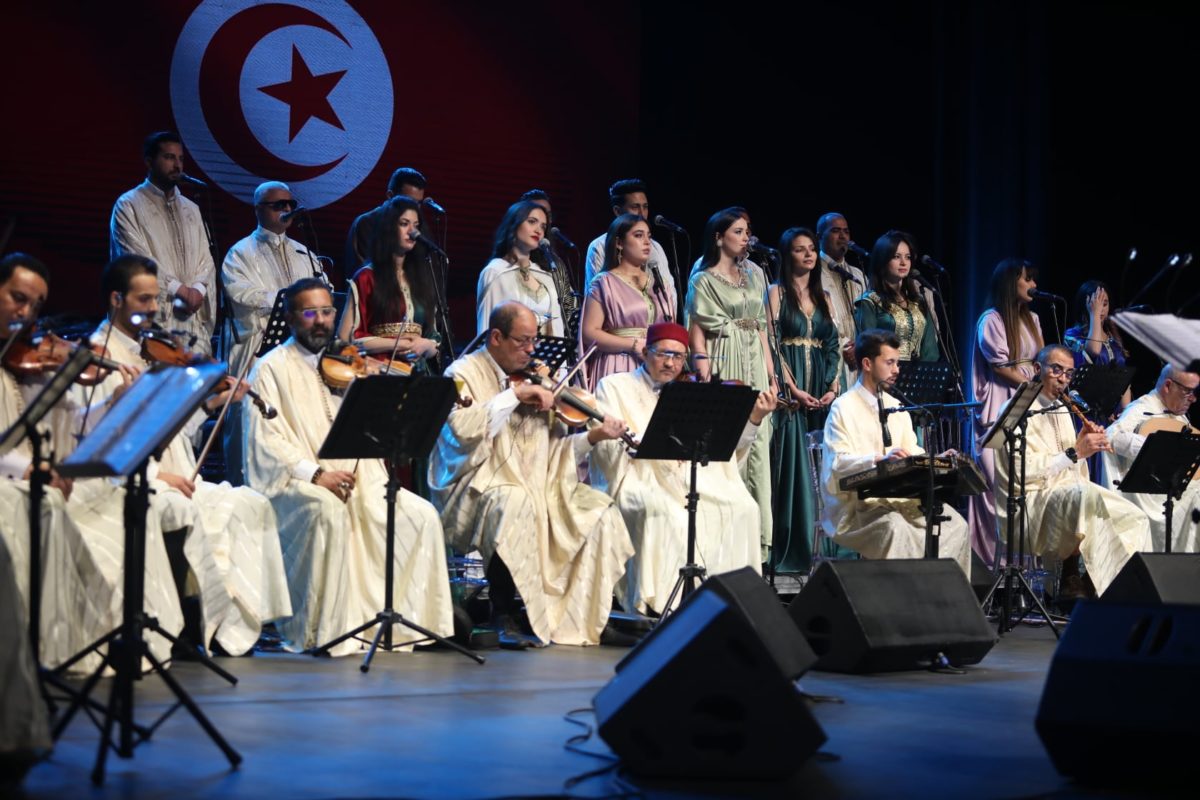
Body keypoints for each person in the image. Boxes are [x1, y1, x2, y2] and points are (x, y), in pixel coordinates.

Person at [85, 254, 292, 656]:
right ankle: (190, 625)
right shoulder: (98, 355)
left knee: (249, 503)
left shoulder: (151, 351)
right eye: (143, 300)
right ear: (115, 299)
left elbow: (173, 429)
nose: (152, 309)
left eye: (154, 299)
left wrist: (215, 403)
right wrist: (160, 479)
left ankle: (236, 625)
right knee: (186, 509)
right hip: (132, 480)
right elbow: (97, 443)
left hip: (172, 469)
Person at [244, 278, 452, 655]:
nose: (321, 321)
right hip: (298, 482)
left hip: (358, 476)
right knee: (328, 512)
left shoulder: (344, 363)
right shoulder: (269, 368)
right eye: (310, 313)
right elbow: (265, 441)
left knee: (420, 515)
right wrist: (317, 475)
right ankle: (331, 628)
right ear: (290, 319)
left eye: (327, 312)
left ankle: (409, 626)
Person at [429, 301, 634, 646]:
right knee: (514, 501)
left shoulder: (539, 380)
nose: (532, 350)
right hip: (476, 484)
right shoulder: (462, 373)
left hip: (542, 483)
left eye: (534, 341)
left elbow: (554, 455)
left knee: (601, 513)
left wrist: (592, 436)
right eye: (522, 342)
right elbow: (459, 431)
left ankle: (586, 619)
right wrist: (514, 395)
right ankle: (502, 612)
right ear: (496, 337)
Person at [590, 322, 772, 615]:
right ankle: (663, 603)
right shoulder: (615, 385)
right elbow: (604, 448)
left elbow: (723, 451)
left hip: (688, 479)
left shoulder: (691, 393)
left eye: (678, 357)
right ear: (646, 353)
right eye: (663, 354)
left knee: (745, 508)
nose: (671, 363)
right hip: (638, 478)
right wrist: (627, 444)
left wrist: (753, 419)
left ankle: (730, 602)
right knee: (664, 512)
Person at [0, 253, 122, 671]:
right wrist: (27, 470)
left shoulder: (21, 363)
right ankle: (40, 644)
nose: (26, 313)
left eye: (36, 306)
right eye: (18, 298)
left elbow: (68, 423)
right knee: (46, 504)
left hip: (16, 479)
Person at [993, 345, 1151, 598]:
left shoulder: (1062, 408)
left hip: (1063, 494)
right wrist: (1075, 453)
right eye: (1057, 370)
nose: (1063, 379)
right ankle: (1070, 575)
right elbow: (1022, 471)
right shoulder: (1016, 410)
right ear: (1037, 369)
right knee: (1084, 497)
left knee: (1133, 516)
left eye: (1068, 373)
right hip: (1029, 501)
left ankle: (1100, 582)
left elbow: (1072, 471)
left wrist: (1082, 445)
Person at [820, 329, 971, 575]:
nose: (897, 370)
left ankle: (941, 604)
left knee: (956, 525)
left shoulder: (896, 406)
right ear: (867, 364)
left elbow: (912, 454)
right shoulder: (843, 407)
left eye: (897, 363)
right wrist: (880, 460)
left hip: (900, 500)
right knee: (895, 527)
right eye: (890, 362)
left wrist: (936, 460)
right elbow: (837, 463)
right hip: (859, 507)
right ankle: (899, 606)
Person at [685, 206, 777, 561]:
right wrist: (705, 376)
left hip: (754, 360)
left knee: (758, 445)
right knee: (729, 443)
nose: (746, 237)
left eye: (747, 231)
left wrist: (771, 375)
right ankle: (723, 537)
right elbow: (697, 334)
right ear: (719, 237)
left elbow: (762, 329)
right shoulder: (702, 280)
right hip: (724, 358)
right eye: (738, 231)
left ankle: (757, 542)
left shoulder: (754, 277)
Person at [222, 180, 324, 485]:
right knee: (250, 419)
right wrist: (286, 301)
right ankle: (245, 488)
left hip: (300, 349)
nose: (287, 210)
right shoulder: (240, 253)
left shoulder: (303, 252)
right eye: (278, 205)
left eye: (290, 204)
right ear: (259, 210)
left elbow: (324, 290)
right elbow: (239, 292)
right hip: (257, 346)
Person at [767, 227, 840, 573]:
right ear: (787, 255)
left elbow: (834, 345)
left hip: (820, 392)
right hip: (792, 392)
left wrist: (832, 386)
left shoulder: (824, 295)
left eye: (812, 249)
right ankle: (794, 548)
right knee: (795, 467)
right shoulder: (776, 293)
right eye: (800, 250)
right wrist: (791, 387)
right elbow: (772, 342)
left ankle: (823, 547)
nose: (809, 255)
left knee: (822, 468)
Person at [109, 131, 216, 356]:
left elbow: (205, 257)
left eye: (180, 159)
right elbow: (137, 259)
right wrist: (178, 289)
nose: (177, 165)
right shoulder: (129, 205)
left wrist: (198, 289)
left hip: (191, 320)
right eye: (169, 158)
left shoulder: (191, 208)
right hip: (156, 316)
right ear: (149, 161)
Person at [969, 258, 1045, 567]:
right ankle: (989, 566)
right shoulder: (992, 320)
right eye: (1028, 279)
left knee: (1020, 486)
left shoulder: (1034, 319)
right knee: (993, 488)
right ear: (1010, 282)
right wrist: (1032, 386)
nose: (1034, 286)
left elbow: (1039, 359)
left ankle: (1019, 567)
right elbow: (999, 366)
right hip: (998, 408)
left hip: (1024, 407)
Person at [1105, 364, 1200, 553]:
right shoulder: (1141, 408)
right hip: (1150, 493)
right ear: (1167, 386)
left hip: (1178, 487)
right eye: (1188, 392)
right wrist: (1160, 449)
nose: (1193, 399)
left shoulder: (1178, 416)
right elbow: (1112, 437)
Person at [338, 196, 441, 367]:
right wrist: (399, 344)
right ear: (388, 228)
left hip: (418, 375)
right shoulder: (366, 277)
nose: (412, 231)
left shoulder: (423, 279)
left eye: (416, 226)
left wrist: (426, 345)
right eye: (404, 224)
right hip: (379, 371)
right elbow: (346, 338)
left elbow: (434, 339)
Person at [579, 214, 674, 390]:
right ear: (619, 243)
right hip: (618, 363)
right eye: (638, 235)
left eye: (649, 236)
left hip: (653, 365)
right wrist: (632, 344)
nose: (647, 242)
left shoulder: (659, 284)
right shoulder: (604, 282)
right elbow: (589, 333)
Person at [583, 178, 677, 307]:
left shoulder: (655, 247)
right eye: (635, 207)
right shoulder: (599, 246)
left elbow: (670, 295)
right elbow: (597, 297)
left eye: (645, 207)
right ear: (617, 211)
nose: (642, 214)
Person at [476, 200, 563, 338]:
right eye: (532, 221)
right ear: (514, 224)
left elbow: (557, 328)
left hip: (544, 357)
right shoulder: (495, 272)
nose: (538, 230)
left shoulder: (545, 275)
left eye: (543, 226)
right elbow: (487, 329)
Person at [854, 230, 939, 362]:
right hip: (884, 378)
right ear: (883, 260)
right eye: (896, 256)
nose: (904, 262)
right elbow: (868, 350)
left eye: (908, 257)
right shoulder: (869, 302)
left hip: (918, 378)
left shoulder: (919, 302)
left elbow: (930, 350)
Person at [816, 212, 868, 392]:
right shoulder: (813, 274)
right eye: (835, 231)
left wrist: (859, 345)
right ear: (820, 237)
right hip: (828, 355)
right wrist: (844, 344)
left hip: (858, 358)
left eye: (846, 231)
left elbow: (866, 318)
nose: (842, 236)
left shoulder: (858, 275)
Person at [344, 166, 427, 272]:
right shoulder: (367, 223)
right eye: (408, 201)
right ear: (390, 196)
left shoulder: (416, 228)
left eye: (418, 203)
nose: (414, 208)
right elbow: (367, 273)